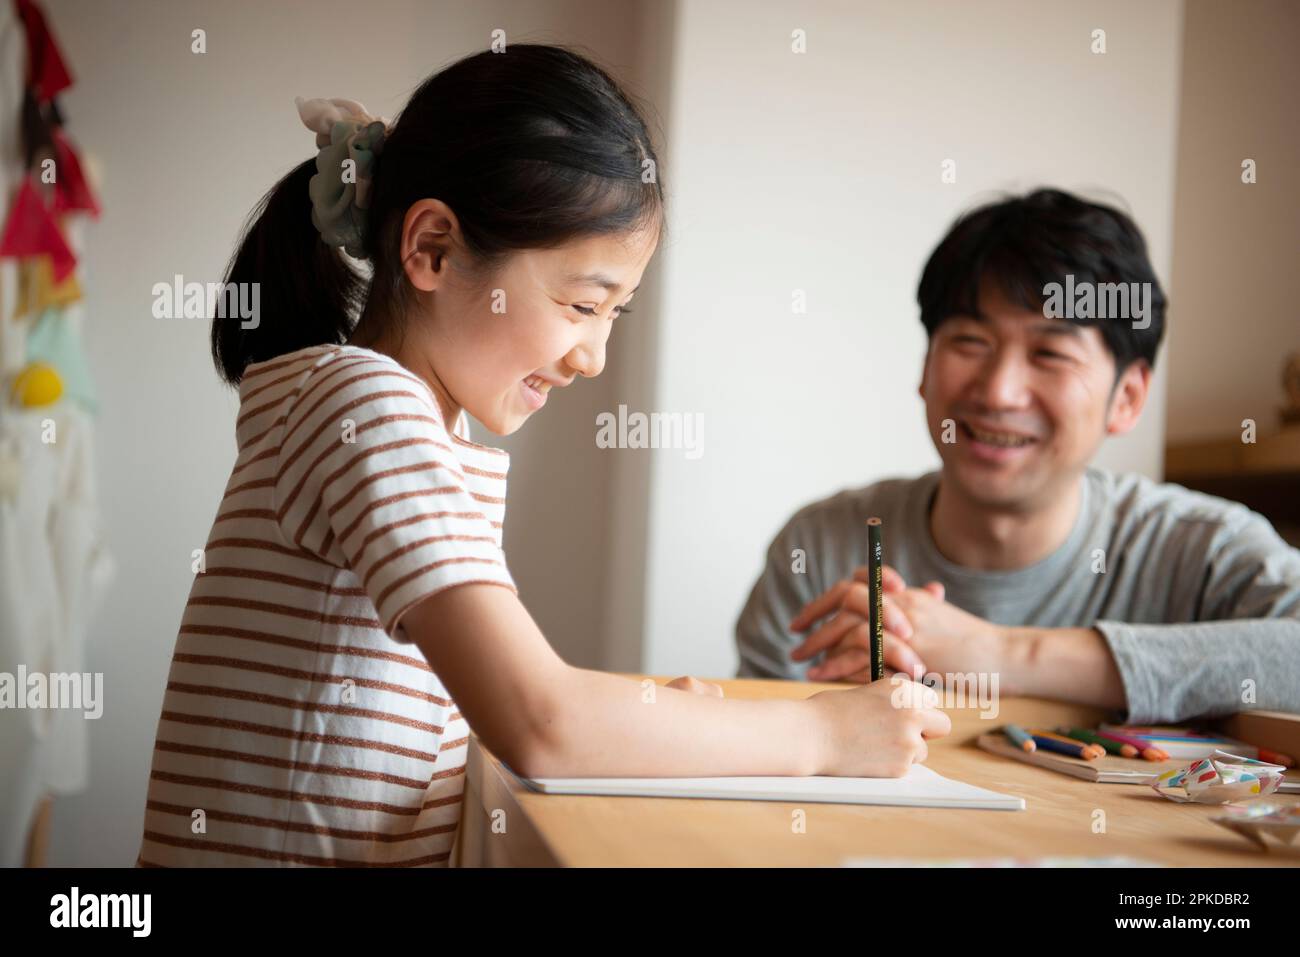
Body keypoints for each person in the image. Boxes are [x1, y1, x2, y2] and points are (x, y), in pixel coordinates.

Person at [137, 45, 949, 868]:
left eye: (615, 313)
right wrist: (820, 731)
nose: (593, 354)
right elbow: (540, 721)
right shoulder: (365, 409)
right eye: (581, 303)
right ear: (433, 249)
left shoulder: (397, 418)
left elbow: (523, 707)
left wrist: (646, 719)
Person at [736, 189, 1300, 724]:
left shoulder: (1201, 549)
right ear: (925, 367)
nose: (1000, 391)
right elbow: (760, 774)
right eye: (969, 342)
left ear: (1126, 398)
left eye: (1050, 353)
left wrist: (1002, 654)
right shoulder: (822, 546)